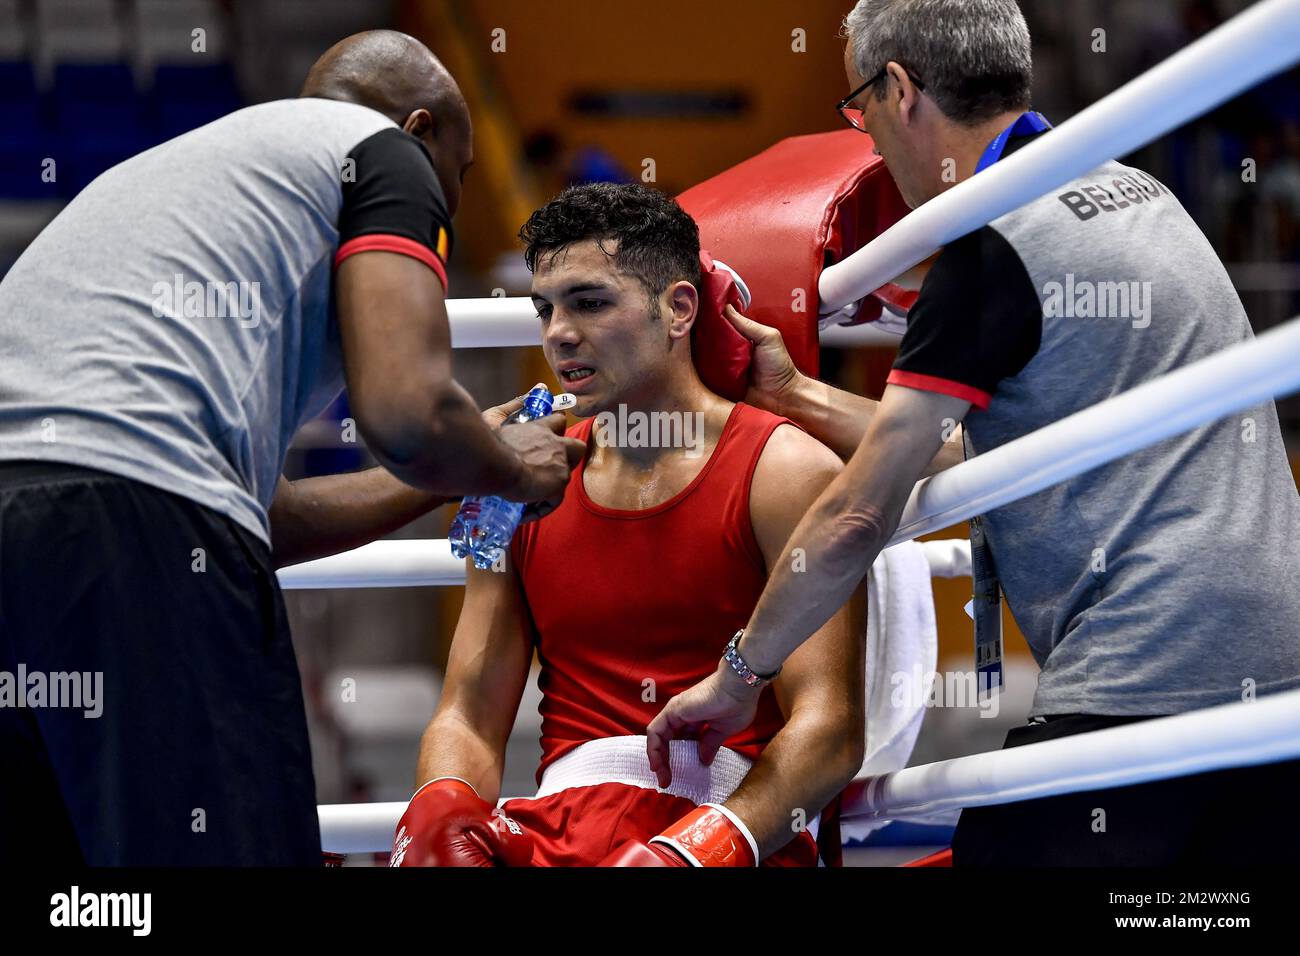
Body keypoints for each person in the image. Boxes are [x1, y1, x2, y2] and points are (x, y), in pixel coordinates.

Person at [646, 0, 1300, 865]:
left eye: (858, 107)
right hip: (1275, 683)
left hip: (1146, 681)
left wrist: (739, 675)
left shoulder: (995, 245)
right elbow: (995, 452)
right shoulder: (1135, 189)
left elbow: (857, 514)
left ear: (901, 90)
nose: (867, 139)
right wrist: (798, 395)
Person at [0, 30, 583, 866]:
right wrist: (510, 466)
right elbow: (410, 413)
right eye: (454, 181)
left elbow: (260, 518)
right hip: (133, 531)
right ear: (421, 131)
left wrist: (452, 471)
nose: (444, 209)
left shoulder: (183, 176)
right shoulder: (383, 154)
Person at [392, 183, 865, 867]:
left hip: (728, 830)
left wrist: (698, 852)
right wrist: (440, 805)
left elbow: (830, 726)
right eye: (545, 307)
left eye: (589, 302)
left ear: (677, 309)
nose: (558, 331)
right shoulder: (516, 482)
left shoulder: (784, 471)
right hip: (554, 833)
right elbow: (468, 708)